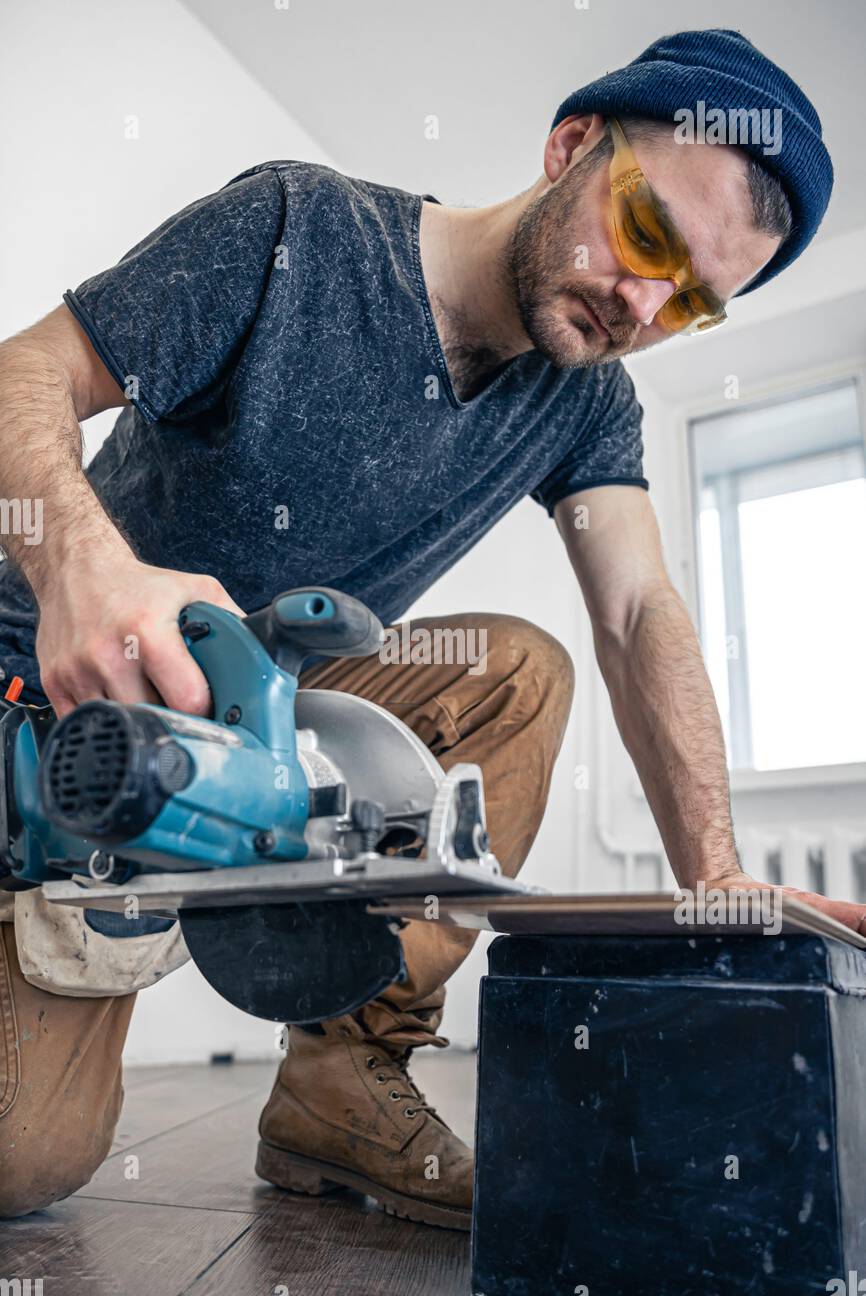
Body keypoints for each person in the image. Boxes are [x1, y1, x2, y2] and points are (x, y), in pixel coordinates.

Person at [0, 29, 861, 1229]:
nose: (642, 304)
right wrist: (85, 569)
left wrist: (709, 876)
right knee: (23, 1165)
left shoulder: (585, 400)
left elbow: (635, 607)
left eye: (694, 303)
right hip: (62, 710)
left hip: (274, 730)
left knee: (516, 671)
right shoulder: (296, 229)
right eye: (647, 234)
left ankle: (340, 1083)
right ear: (571, 146)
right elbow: (20, 372)